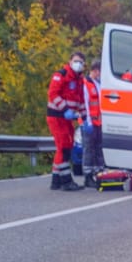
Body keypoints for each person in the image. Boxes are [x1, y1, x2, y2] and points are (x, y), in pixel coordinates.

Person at [46, 51, 86, 191]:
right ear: (70, 62)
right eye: (76, 61)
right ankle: (66, 181)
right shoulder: (61, 75)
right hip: (57, 115)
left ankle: (56, 180)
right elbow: (52, 94)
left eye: (81, 62)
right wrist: (64, 110)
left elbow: (80, 103)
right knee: (64, 148)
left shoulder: (79, 80)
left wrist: (83, 121)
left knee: (65, 147)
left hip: (67, 118)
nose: (78, 64)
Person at [80, 58, 105, 187]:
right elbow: (85, 105)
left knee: (98, 149)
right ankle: (88, 176)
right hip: (88, 123)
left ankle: (98, 174)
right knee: (88, 150)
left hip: (98, 123)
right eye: (100, 71)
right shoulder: (86, 84)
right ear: (95, 71)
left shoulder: (97, 84)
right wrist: (87, 122)